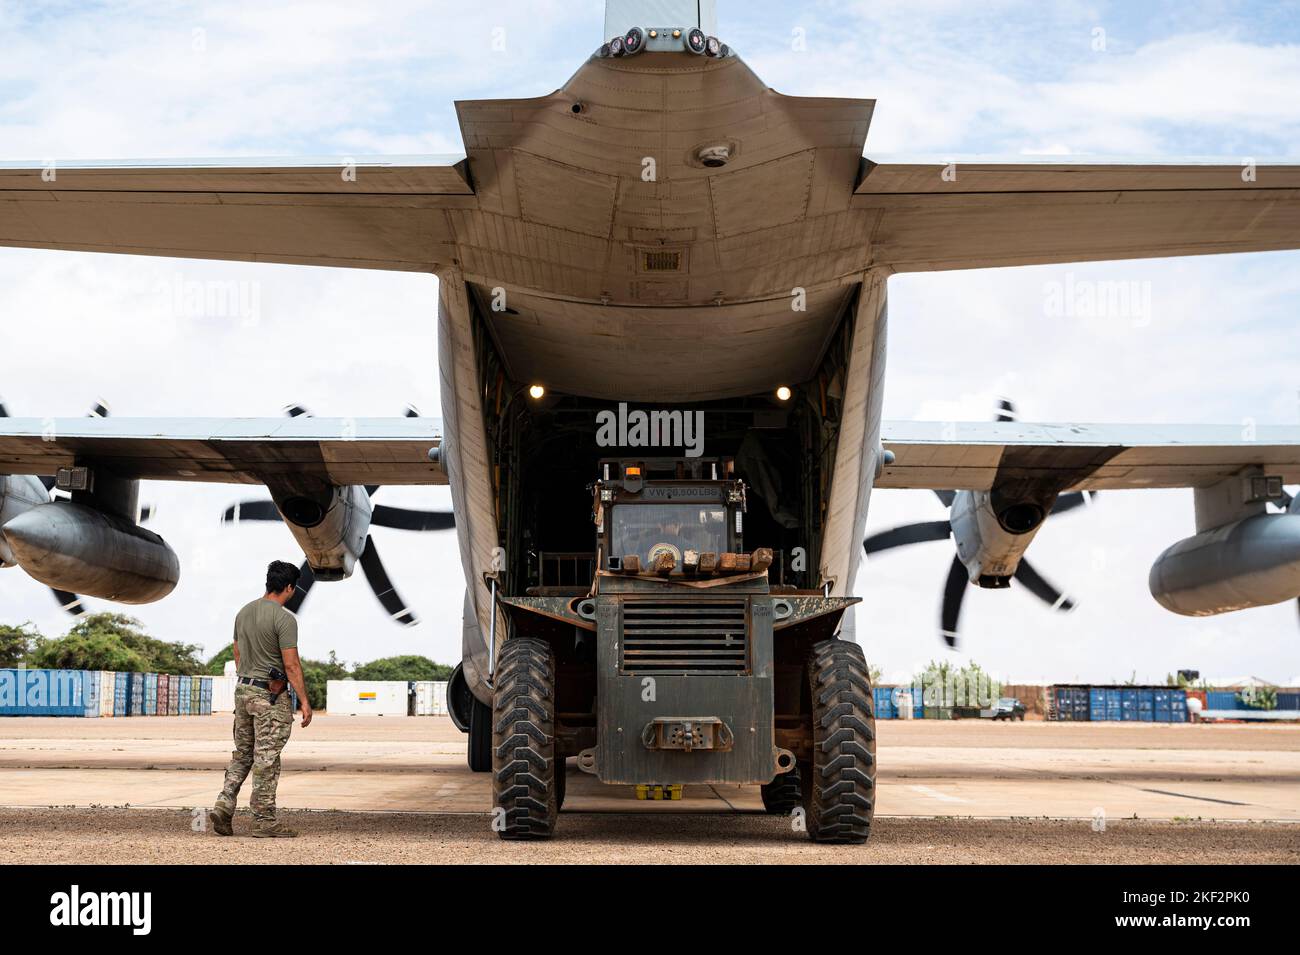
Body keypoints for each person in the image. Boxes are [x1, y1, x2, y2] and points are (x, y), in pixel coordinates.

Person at [209, 560, 313, 837]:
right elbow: (291, 665)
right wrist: (304, 700)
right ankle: (264, 821)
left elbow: (237, 653)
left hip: (243, 691)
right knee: (266, 758)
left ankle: (224, 803)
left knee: (243, 754)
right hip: (269, 696)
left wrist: (249, 675)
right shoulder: (284, 618)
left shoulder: (243, 613)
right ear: (289, 587)